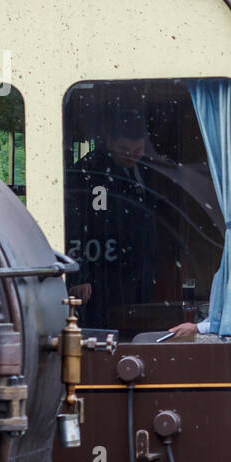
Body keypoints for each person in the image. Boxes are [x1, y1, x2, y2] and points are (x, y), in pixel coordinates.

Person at [65, 111, 159, 330]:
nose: (131, 156)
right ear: (109, 143)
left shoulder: (144, 170)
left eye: (138, 150)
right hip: (103, 268)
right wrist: (80, 274)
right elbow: (84, 224)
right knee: (106, 324)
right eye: (124, 150)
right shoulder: (93, 172)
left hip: (137, 264)